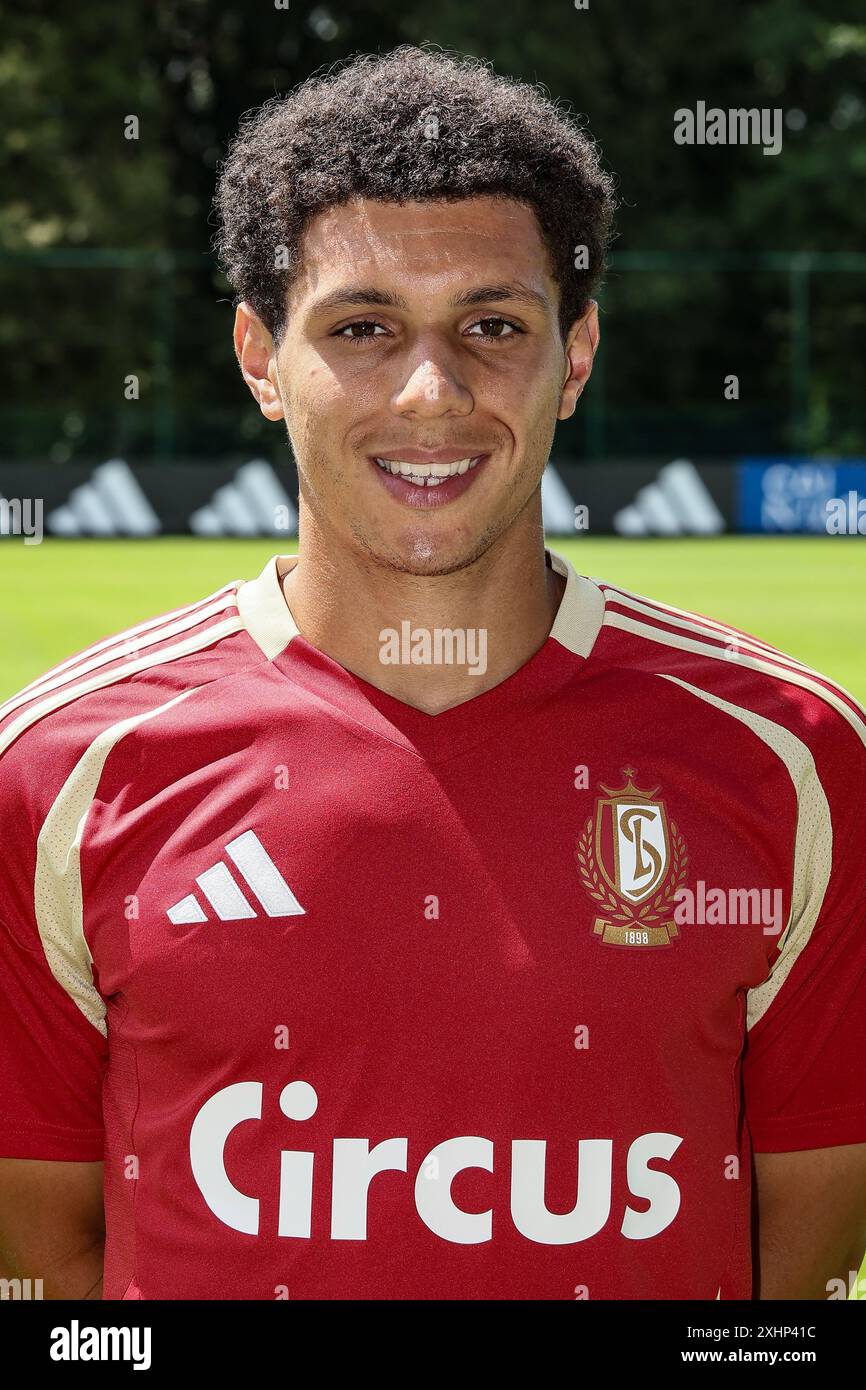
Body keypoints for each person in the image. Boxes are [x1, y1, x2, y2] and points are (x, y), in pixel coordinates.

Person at [0, 45, 864, 1301]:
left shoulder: (797, 758)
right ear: (258, 356)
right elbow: (49, 1239)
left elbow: (803, 1233)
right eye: (360, 327)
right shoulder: (57, 773)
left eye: (492, 325)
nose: (430, 391)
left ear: (573, 355)